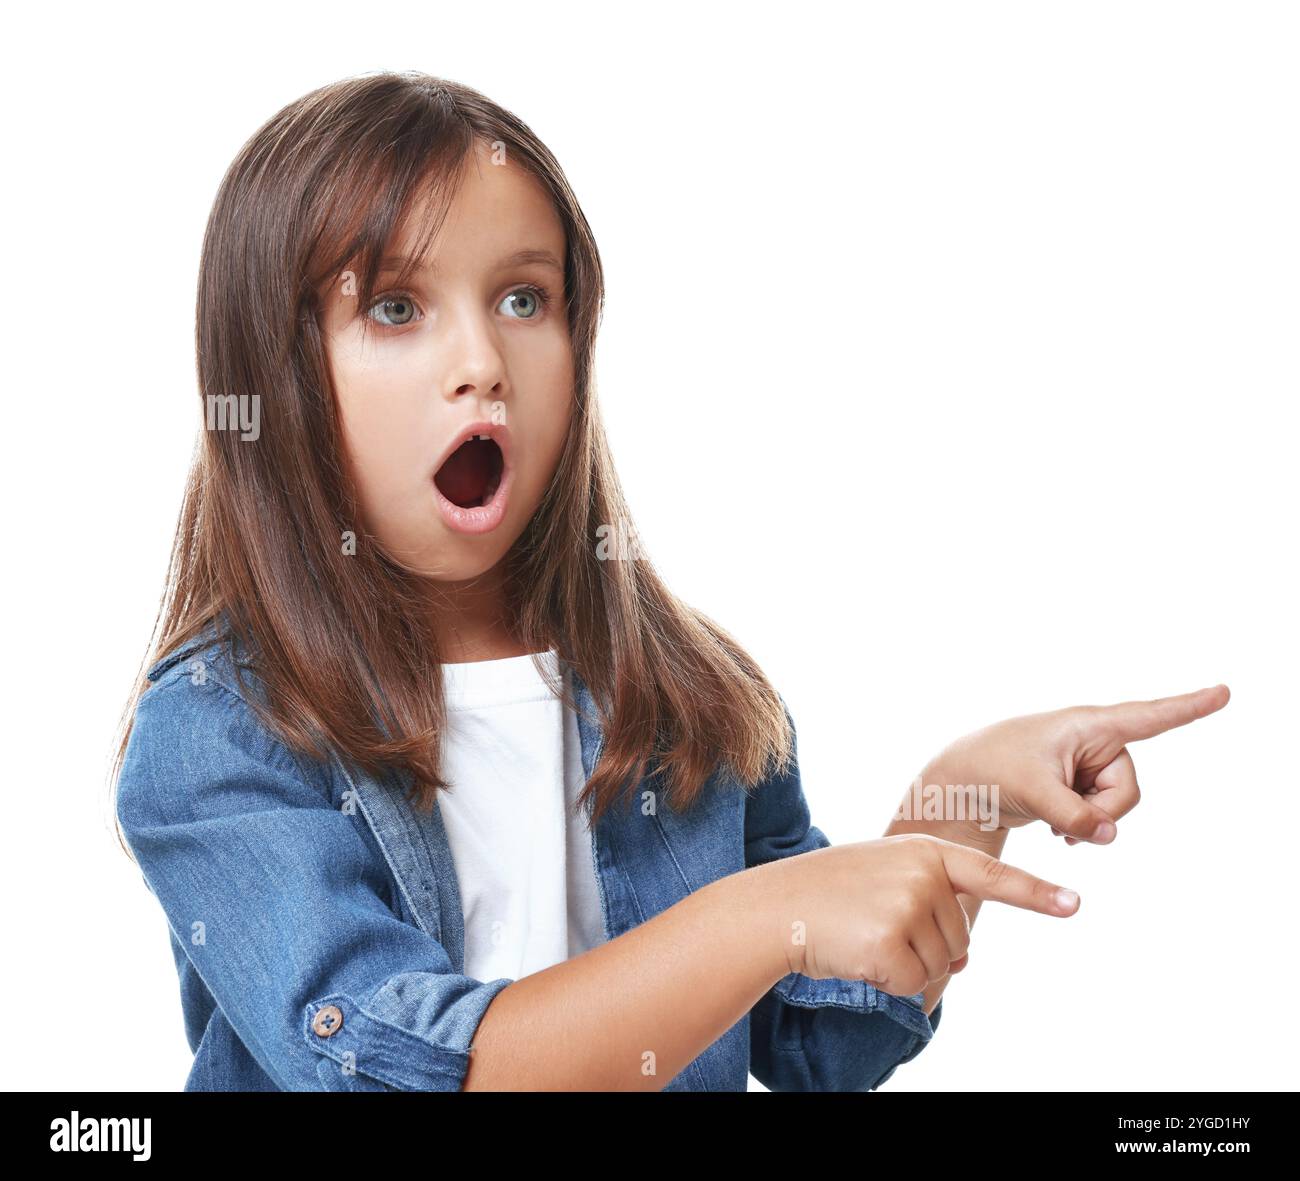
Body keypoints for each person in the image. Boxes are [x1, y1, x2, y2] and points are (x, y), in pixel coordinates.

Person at [111, 71, 1229, 1091]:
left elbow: (813, 1034)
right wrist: (761, 916)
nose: (482, 364)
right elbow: (387, 1065)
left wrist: (961, 802)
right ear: (275, 375)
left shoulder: (682, 687)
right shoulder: (219, 735)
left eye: (524, 299)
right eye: (396, 309)